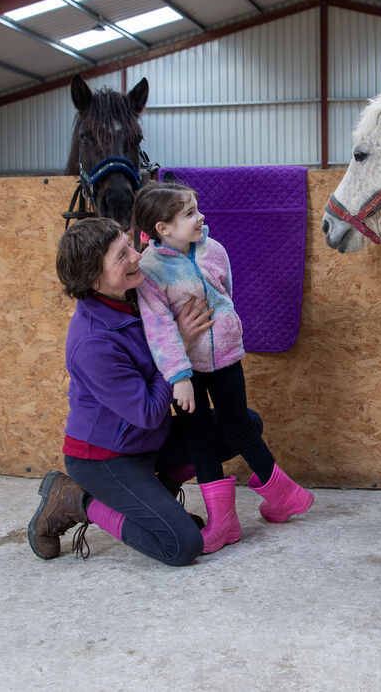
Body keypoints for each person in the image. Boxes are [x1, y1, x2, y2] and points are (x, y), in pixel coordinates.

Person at [27, 217, 259, 565]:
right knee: (181, 545)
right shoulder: (92, 343)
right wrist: (177, 347)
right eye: (122, 255)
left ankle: (156, 496)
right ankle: (77, 501)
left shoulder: (138, 294)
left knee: (243, 426)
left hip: (148, 442)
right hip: (105, 457)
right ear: (94, 280)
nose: (137, 256)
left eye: (131, 245)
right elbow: (150, 412)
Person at [133, 181, 313, 553]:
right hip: (189, 369)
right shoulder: (150, 271)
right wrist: (179, 375)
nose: (201, 217)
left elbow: (225, 293)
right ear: (163, 228)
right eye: (189, 214)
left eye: (197, 209)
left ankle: (284, 497)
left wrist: (227, 331)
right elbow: (159, 328)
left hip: (227, 356)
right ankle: (227, 521)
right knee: (200, 439)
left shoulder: (214, 249)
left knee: (240, 428)